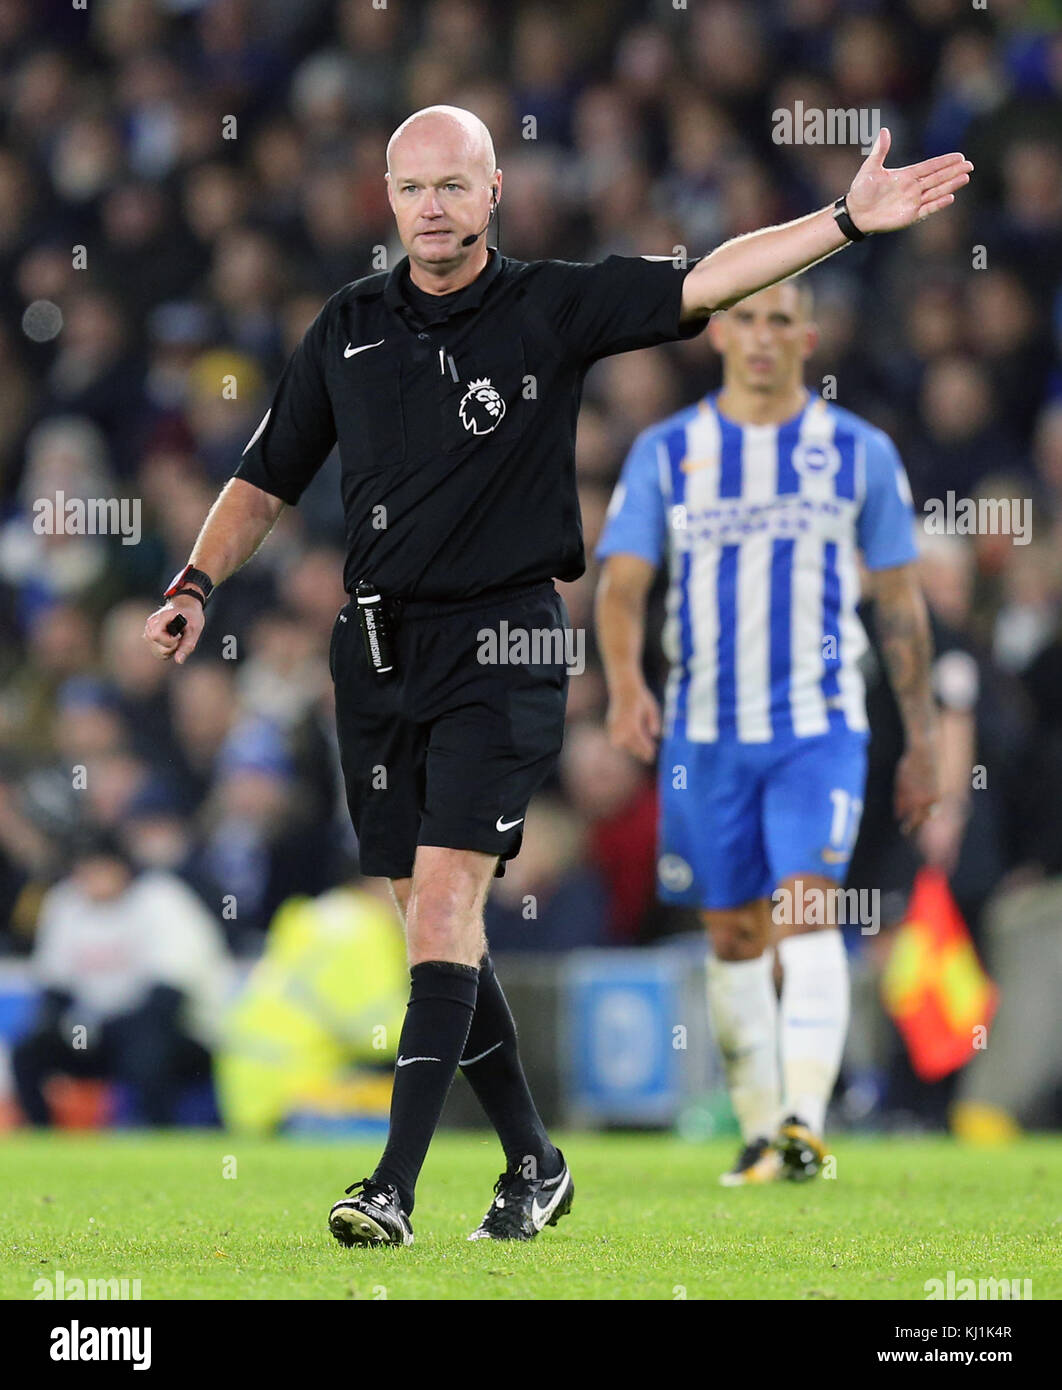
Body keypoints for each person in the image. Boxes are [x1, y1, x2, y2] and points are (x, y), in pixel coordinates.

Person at [143, 104, 972, 1242]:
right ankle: (535, 1164)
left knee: (443, 906)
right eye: (411, 188)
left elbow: (709, 279)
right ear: (388, 200)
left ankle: (389, 1184)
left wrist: (843, 218)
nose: (431, 208)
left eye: (453, 186)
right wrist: (195, 582)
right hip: (375, 655)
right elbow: (265, 477)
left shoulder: (549, 306)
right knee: (438, 933)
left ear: (494, 195)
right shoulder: (346, 327)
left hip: (505, 646)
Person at [595, 278, 940, 1184]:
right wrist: (626, 684)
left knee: (806, 912)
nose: (760, 336)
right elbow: (623, 584)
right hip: (704, 737)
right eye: (743, 317)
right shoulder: (669, 452)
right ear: (717, 333)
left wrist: (926, 737)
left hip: (819, 728)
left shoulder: (857, 452)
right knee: (735, 935)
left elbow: (901, 601)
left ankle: (804, 1120)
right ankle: (760, 1135)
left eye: (779, 320)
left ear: (809, 338)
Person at [13, 828, 231, 1127]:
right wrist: (73, 1028)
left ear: (122, 867)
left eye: (100, 869)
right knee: (29, 1051)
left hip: (178, 1032)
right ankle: (43, 1137)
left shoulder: (161, 898)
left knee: (146, 1051)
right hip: (96, 1032)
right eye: (84, 871)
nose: (92, 879)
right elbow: (55, 989)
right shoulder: (66, 902)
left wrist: (103, 1028)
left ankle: (160, 1135)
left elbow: (168, 999)